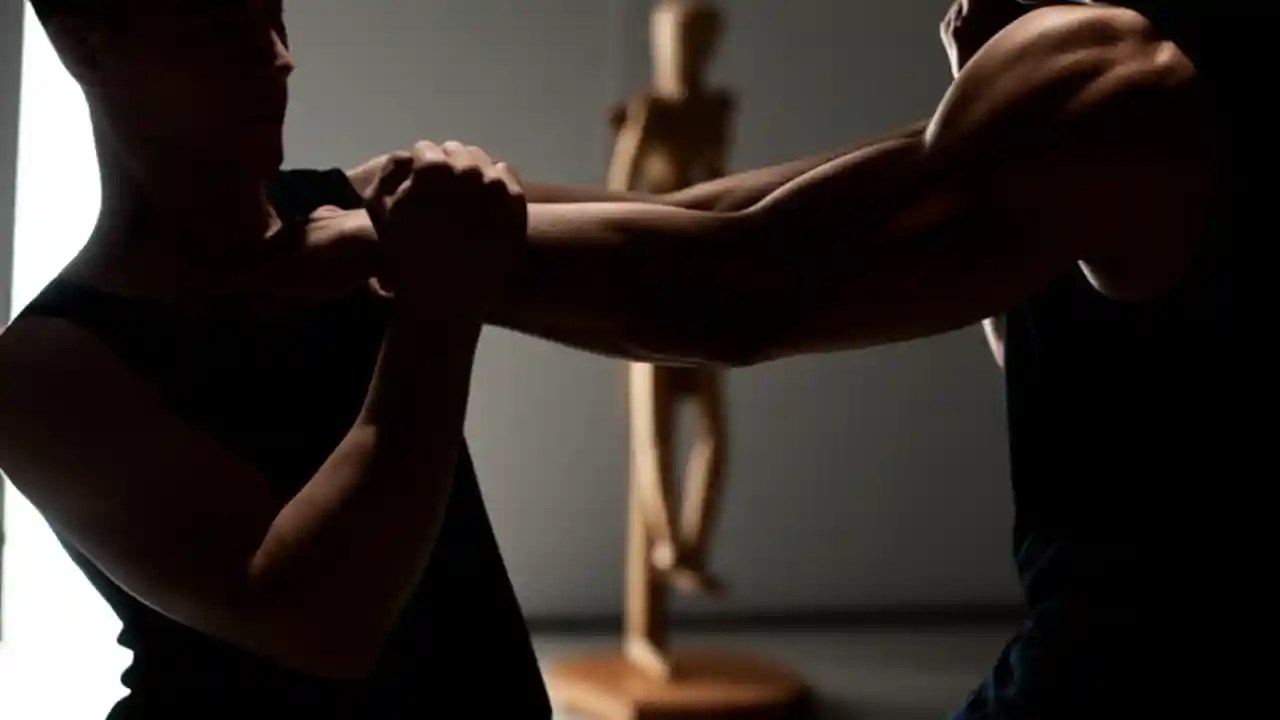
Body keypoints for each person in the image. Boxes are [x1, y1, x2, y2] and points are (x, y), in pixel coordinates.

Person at [485, 1, 1259, 717]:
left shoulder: (1119, 71)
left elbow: (739, 286)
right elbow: (709, 218)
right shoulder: (1143, 68)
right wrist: (459, 203)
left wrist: (440, 248)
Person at [0, 1, 548, 717]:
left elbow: (676, 269)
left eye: (275, 12)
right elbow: (323, 620)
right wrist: (439, 303)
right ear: (85, 44)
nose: (280, 56)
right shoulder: (41, 372)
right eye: (224, 19)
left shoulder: (365, 214)